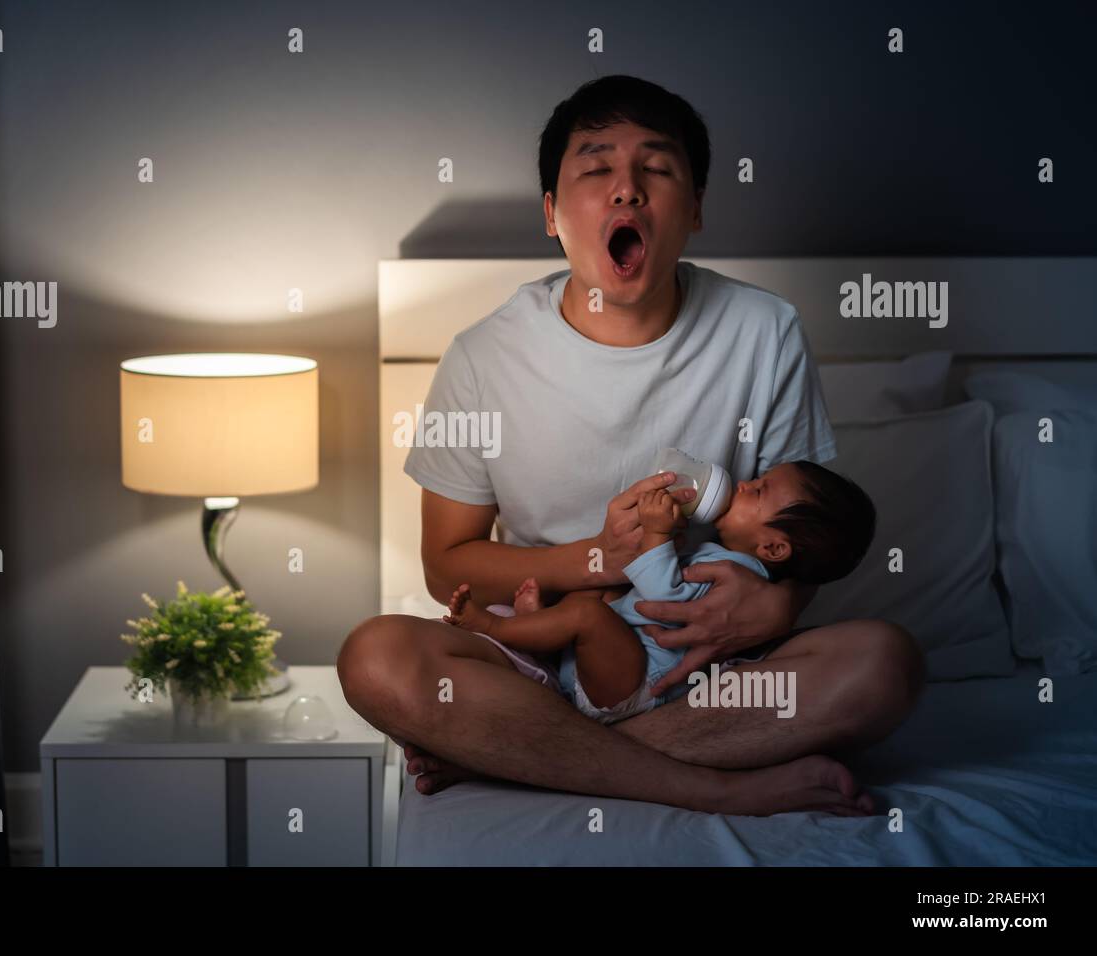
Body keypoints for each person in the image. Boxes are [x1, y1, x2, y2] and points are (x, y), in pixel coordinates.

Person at [337, 74, 923, 817]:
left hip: (698, 665)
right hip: (540, 656)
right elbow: (445, 564)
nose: (626, 190)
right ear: (552, 213)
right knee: (375, 659)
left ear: (697, 207)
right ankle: (717, 785)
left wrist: (775, 613)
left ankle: (524, 752)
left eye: (656, 167)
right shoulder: (483, 357)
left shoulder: (764, 332)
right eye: (595, 167)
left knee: (885, 666)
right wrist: (596, 559)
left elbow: (798, 531)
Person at [441, 461, 877, 725]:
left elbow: (660, 593)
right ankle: (539, 634)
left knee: (587, 617)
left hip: (634, 685)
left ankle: (497, 625)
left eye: (758, 491)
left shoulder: (737, 576)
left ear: (773, 548)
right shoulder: (733, 563)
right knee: (592, 598)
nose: (743, 484)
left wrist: (657, 532)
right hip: (619, 662)